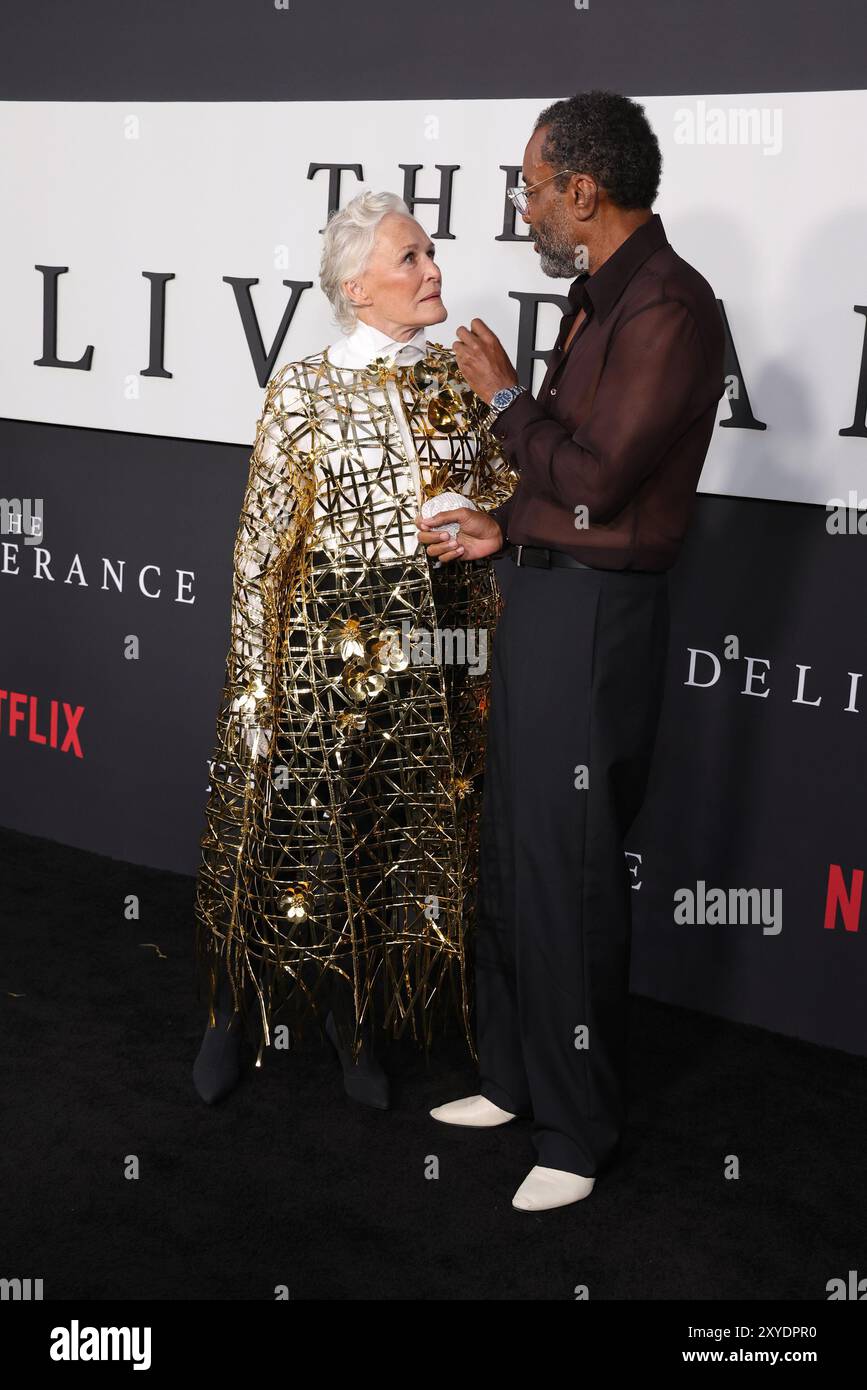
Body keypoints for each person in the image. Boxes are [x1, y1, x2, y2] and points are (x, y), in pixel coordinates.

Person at [416, 91, 726, 1210]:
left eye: (533, 187)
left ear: (583, 191)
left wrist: (500, 396)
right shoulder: (604, 297)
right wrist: (511, 529)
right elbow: (576, 494)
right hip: (547, 594)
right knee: (511, 851)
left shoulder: (672, 309)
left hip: (600, 622)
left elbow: (598, 483)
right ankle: (513, 1075)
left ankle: (578, 1132)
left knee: (574, 874)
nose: (527, 206)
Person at [192, 190, 516, 1111]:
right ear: (355, 285)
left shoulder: (458, 379)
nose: (433, 271)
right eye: (409, 259)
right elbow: (260, 552)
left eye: (429, 254)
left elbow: (507, 501)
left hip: (433, 665)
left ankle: (354, 1022)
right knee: (285, 849)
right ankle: (232, 1014)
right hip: (317, 664)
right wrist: (256, 689)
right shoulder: (303, 388)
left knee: (388, 849)